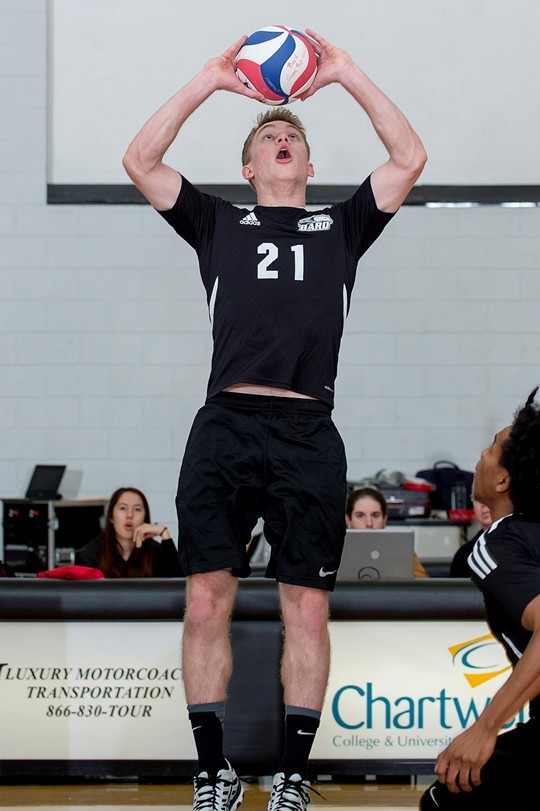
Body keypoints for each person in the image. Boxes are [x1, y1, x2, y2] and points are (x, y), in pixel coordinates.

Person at [123, 28, 426, 811]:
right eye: (269, 135)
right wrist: (209, 80)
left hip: (306, 431)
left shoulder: (344, 226)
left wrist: (350, 73)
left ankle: (293, 773)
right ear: (250, 167)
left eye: (292, 134)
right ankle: (211, 769)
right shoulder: (218, 222)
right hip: (225, 423)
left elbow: (407, 159)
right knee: (204, 598)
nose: (282, 137)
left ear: (311, 165)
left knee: (307, 607)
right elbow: (140, 163)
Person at [420, 386, 540, 809]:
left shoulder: (498, 543)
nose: (482, 455)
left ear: (504, 480)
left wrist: (485, 727)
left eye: (491, 449)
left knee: (447, 796)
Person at [75, 487, 183, 577]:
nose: (130, 515)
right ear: (111, 517)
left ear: (145, 517)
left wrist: (164, 533)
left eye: (137, 509)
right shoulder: (88, 555)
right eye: (123, 508)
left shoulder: (158, 554)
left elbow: (179, 589)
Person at [346, 487, 429, 577]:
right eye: (360, 515)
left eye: (375, 515)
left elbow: (422, 584)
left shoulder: (401, 548)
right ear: (348, 520)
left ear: (384, 519)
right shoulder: (335, 551)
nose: (369, 523)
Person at [449, 497, 493, 577]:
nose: (483, 504)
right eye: (477, 499)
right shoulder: (463, 555)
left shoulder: (519, 543)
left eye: (488, 495)